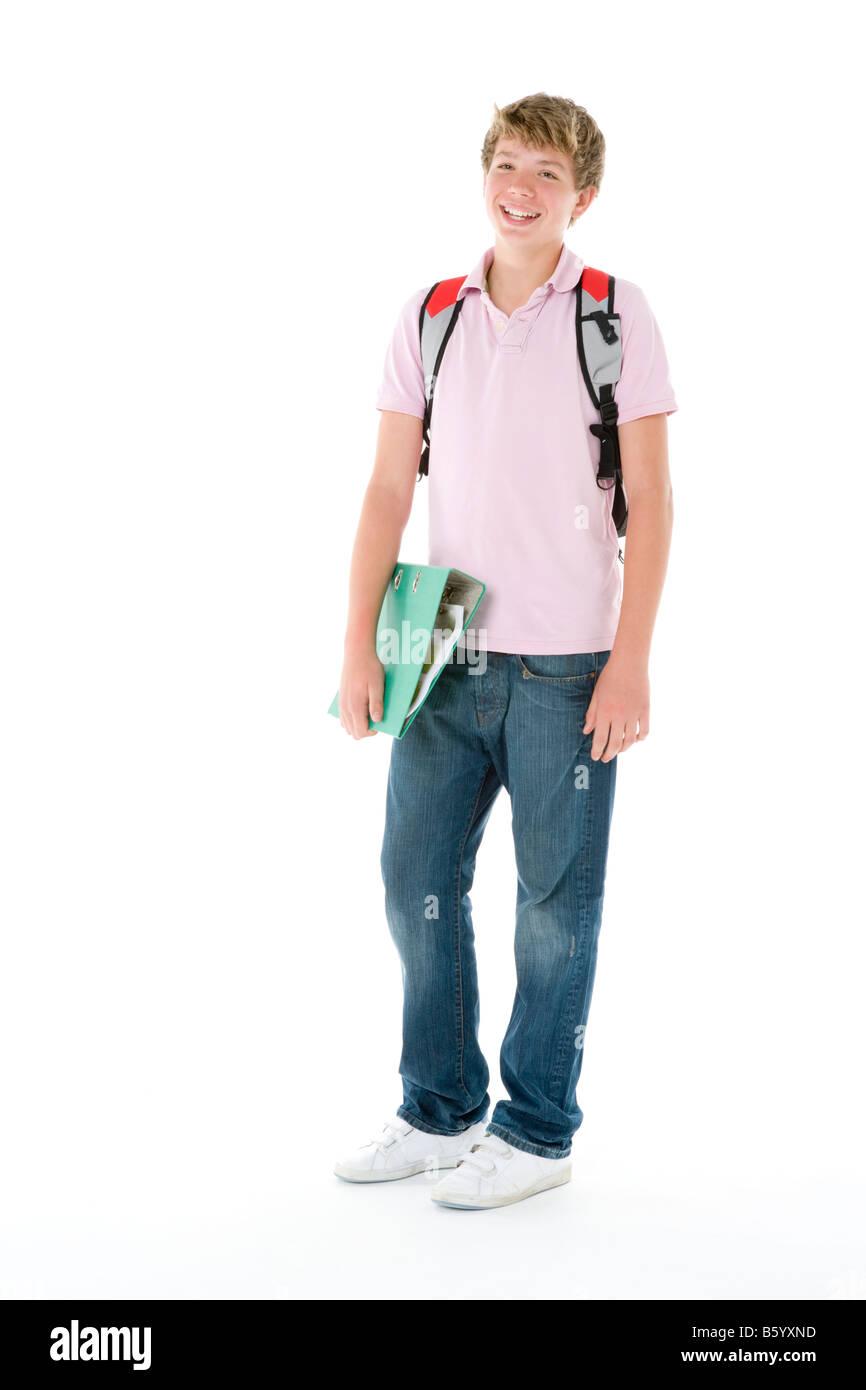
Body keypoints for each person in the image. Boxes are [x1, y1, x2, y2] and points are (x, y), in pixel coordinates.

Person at [333, 92, 678, 1210]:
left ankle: (536, 1131)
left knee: (552, 903)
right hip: (441, 652)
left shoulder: (613, 314)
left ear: (582, 195)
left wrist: (630, 660)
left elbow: (655, 502)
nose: (518, 187)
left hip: (567, 665)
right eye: (504, 163)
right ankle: (439, 1108)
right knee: (412, 878)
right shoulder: (430, 312)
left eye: (545, 172)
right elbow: (388, 491)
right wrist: (357, 648)